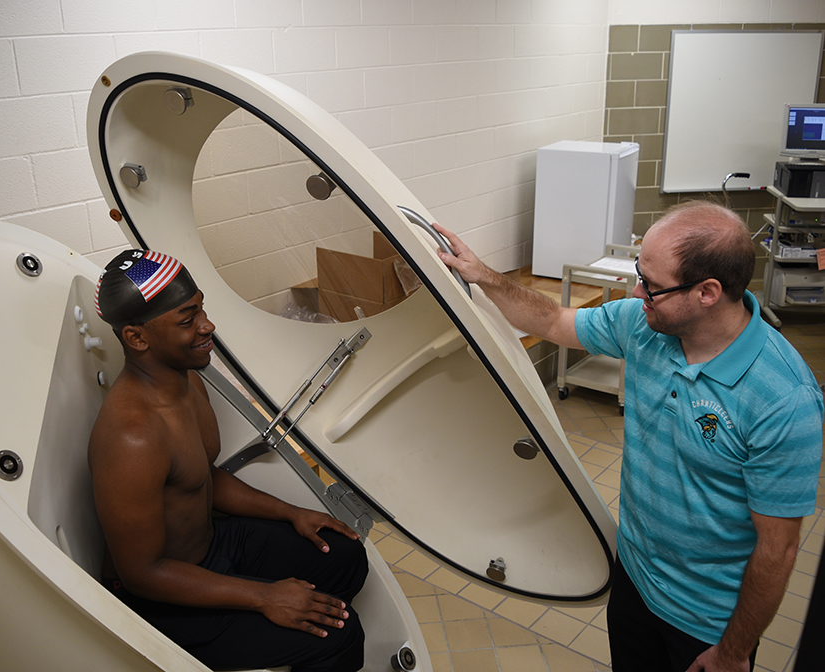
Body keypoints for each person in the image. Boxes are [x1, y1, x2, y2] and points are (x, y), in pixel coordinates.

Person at [434, 201, 823, 672]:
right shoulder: (643, 324)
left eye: (652, 285)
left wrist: (733, 652)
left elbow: (777, 549)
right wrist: (485, 277)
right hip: (634, 582)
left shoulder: (784, 398)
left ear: (707, 292)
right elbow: (554, 321)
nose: (638, 291)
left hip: (706, 622)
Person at [88, 249, 368, 672]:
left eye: (201, 309)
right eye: (187, 320)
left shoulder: (187, 379)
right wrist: (264, 596)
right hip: (161, 598)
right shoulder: (132, 438)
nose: (207, 326)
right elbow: (141, 574)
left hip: (211, 544)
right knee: (340, 638)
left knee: (345, 556)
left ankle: (296, 631)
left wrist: (291, 513)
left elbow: (201, 477)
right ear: (137, 338)